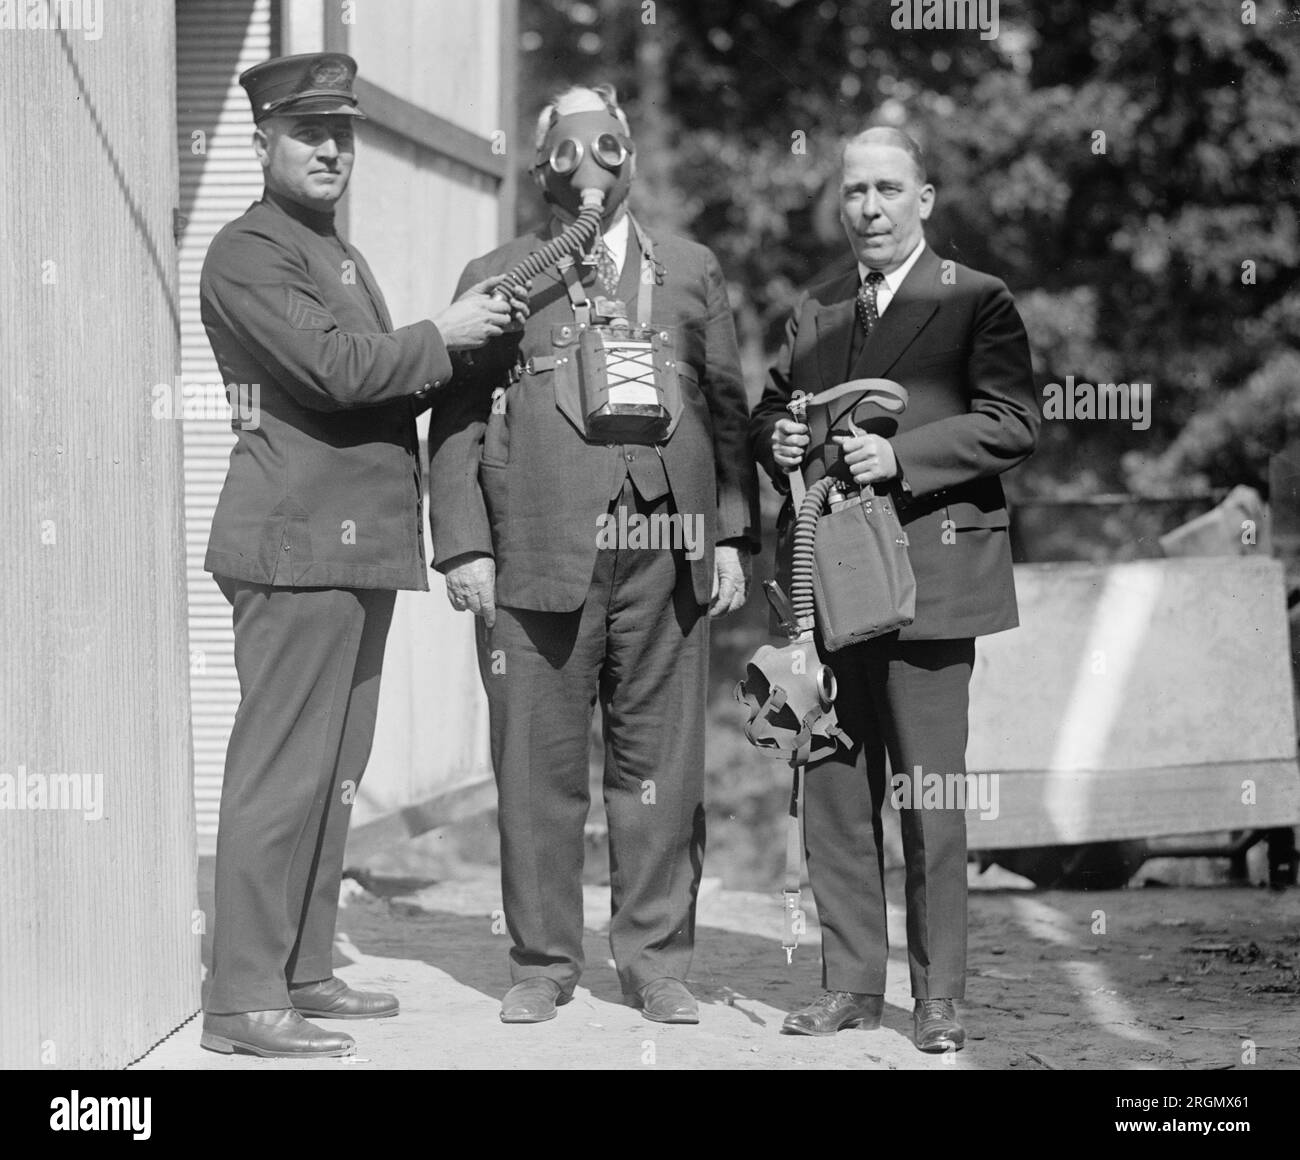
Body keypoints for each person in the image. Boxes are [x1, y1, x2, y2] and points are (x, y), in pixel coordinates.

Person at [198, 52, 523, 1058]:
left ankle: (297, 966)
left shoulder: (330, 252)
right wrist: (445, 329)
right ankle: (241, 998)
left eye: (343, 131)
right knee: (281, 774)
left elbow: (379, 384)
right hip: (295, 545)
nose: (333, 147)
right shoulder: (249, 250)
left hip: (352, 551)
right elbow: (339, 372)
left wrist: (473, 351)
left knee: (335, 770)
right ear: (263, 144)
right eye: (309, 131)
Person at [429, 85, 760, 1026]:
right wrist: (464, 547)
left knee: (662, 762)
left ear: (629, 153)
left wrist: (734, 531)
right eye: (565, 144)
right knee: (536, 763)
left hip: (666, 548)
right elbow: (453, 419)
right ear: (543, 163)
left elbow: (728, 407)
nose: (588, 163)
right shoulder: (501, 273)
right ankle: (541, 961)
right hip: (539, 544)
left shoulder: (690, 268)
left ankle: (657, 960)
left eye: (605, 141)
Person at [749, 126, 1039, 1053]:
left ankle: (940, 995)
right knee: (833, 784)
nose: (868, 208)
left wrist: (900, 458)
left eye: (887, 190)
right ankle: (849, 986)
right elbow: (771, 407)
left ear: (924, 199)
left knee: (930, 794)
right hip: (827, 586)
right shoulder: (819, 307)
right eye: (854, 193)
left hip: (929, 578)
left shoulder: (977, 301)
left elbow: (1013, 423)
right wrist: (777, 442)